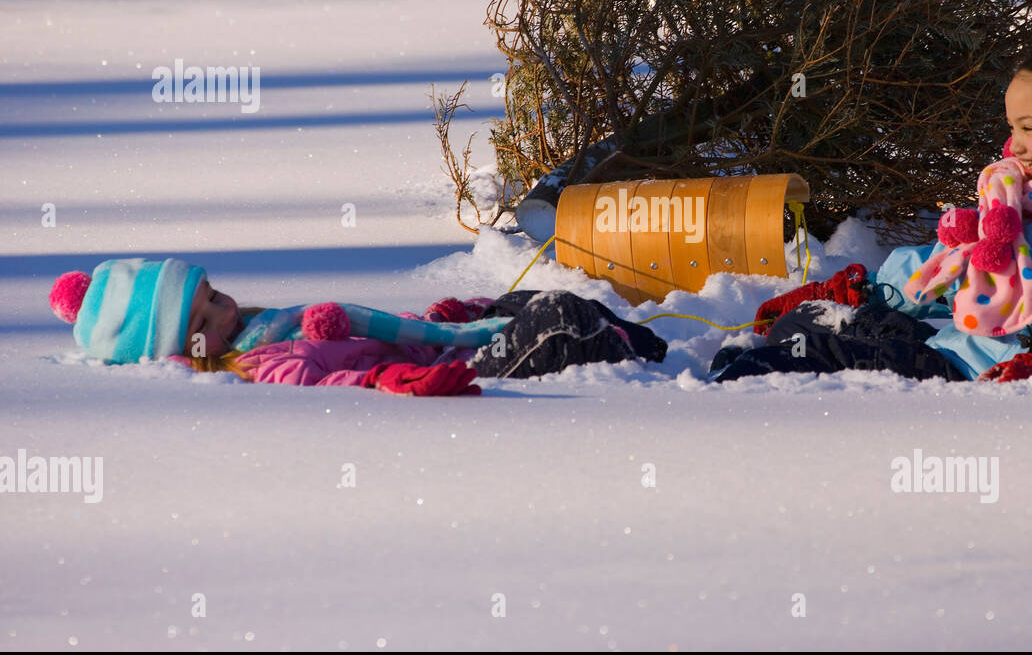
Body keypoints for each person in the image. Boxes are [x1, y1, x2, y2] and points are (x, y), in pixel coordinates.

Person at [713, 17, 1032, 383]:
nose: (1015, 146)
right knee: (815, 323)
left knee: (821, 353)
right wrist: (867, 290)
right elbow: (959, 266)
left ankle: (736, 397)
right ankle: (754, 367)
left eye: (1029, 128)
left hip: (981, 372)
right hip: (957, 344)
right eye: (1012, 128)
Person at [48, 261, 665, 395]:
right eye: (203, 323)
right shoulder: (259, 363)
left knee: (520, 300)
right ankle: (650, 356)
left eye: (213, 296)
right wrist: (403, 377)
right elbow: (341, 379)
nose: (225, 313)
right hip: (447, 373)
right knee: (557, 318)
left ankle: (650, 345)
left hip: (434, 347)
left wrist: (436, 323)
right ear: (181, 351)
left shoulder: (265, 325)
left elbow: (366, 331)